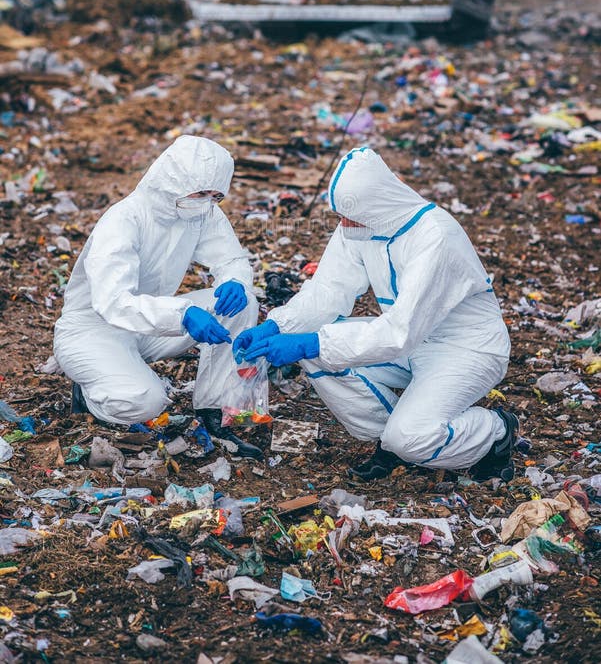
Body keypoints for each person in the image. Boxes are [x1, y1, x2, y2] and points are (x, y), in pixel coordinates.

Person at [235, 146, 516, 481]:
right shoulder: (361, 225)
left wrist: (310, 342)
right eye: (340, 215)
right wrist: (277, 326)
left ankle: (496, 431)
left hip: (465, 348)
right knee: (320, 355)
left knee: (407, 434)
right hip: (412, 343)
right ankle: (393, 442)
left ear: (378, 203)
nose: (343, 224)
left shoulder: (434, 237)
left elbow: (399, 331)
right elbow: (329, 291)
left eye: (349, 215)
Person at [54, 136, 262, 458]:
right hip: (92, 330)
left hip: (146, 325)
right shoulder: (124, 219)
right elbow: (113, 301)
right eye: (201, 192)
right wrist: (182, 315)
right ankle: (90, 392)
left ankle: (215, 410)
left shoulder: (199, 213)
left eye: (215, 196)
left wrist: (234, 280)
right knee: (145, 402)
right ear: (173, 180)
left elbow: (231, 259)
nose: (207, 202)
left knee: (243, 305)